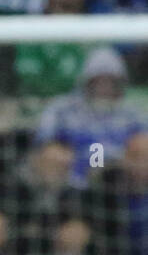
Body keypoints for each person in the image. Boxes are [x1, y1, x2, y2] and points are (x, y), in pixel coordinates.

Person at [34, 45, 148, 186]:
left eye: (111, 82)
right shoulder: (63, 109)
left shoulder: (131, 113)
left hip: (121, 178)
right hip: (74, 175)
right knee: (52, 154)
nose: (105, 89)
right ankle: (54, 205)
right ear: (87, 82)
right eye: (100, 82)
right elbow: (44, 139)